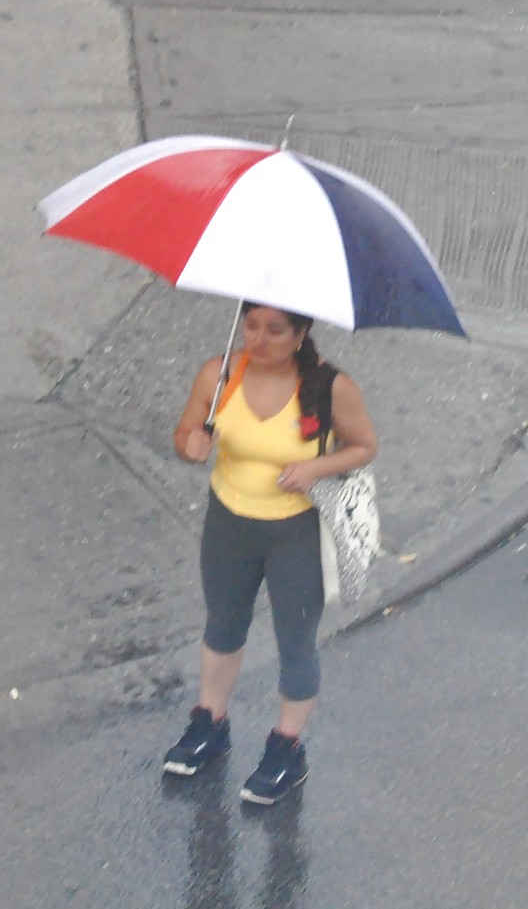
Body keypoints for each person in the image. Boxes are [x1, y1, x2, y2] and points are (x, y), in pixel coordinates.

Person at [163, 303, 377, 804]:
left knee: (295, 640)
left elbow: (364, 446)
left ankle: (287, 747)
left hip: (295, 531)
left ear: (300, 334)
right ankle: (210, 723)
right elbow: (185, 432)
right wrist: (189, 444)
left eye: (274, 331)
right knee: (222, 625)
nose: (257, 339)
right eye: (251, 326)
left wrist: (317, 469)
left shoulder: (328, 386)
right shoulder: (220, 374)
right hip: (228, 523)